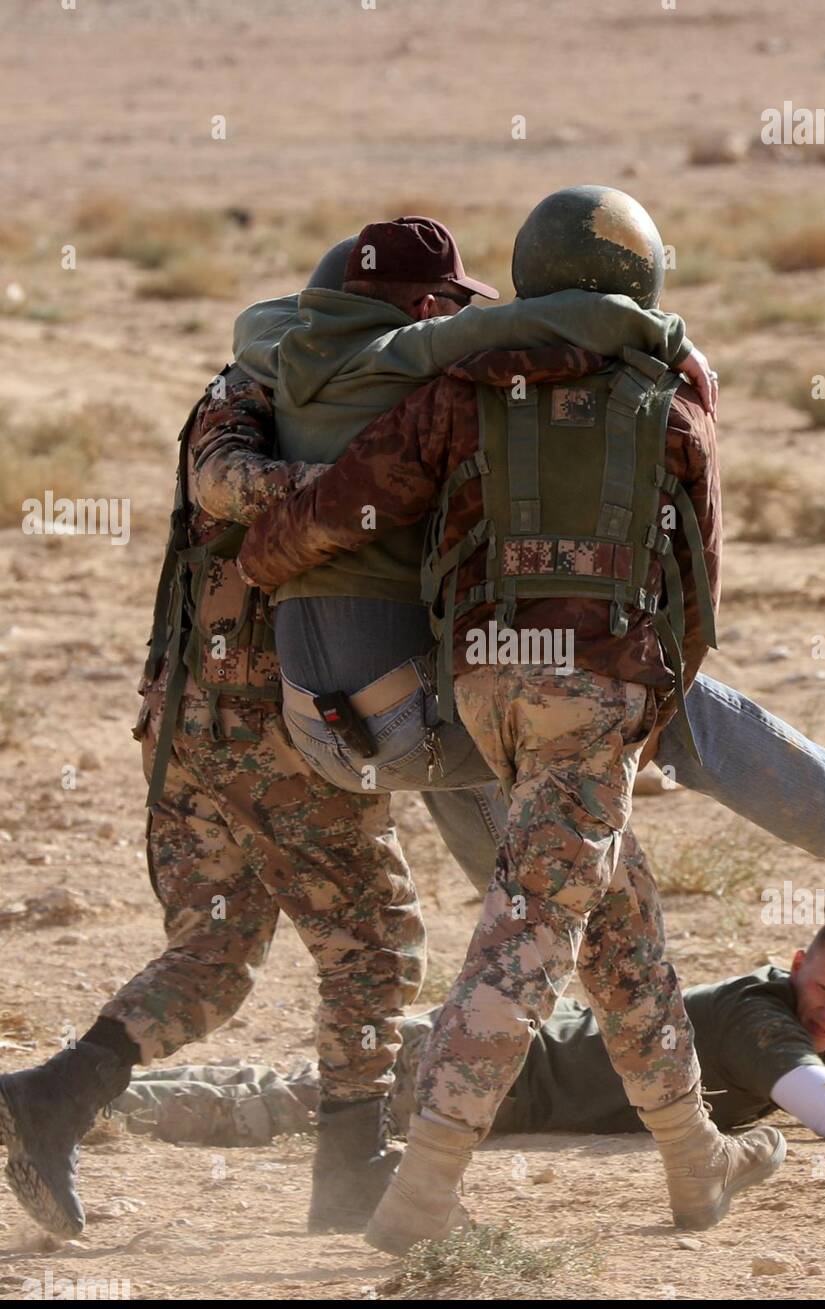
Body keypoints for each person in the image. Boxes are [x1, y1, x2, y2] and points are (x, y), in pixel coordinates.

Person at [0, 221, 716, 1241]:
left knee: (215, 954)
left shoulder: (292, 384)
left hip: (195, 719)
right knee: (374, 938)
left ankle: (54, 1098)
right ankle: (352, 1169)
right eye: (432, 309)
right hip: (262, 718)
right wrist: (371, 493)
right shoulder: (254, 392)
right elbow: (224, 484)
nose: (443, 323)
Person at [240, 185, 791, 1254]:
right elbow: (700, 576)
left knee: (612, 910)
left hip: (481, 691)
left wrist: (269, 557)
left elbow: (359, 498)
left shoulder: (463, 386)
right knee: (527, 938)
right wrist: (646, 707)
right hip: (592, 702)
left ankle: (694, 1155)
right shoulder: (672, 392)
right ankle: (425, 1189)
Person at [389, 919, 825, 1141]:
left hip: (501, 1088)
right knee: (309, 1103)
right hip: (477, 1061)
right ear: (798, 966)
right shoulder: (759, 1014)